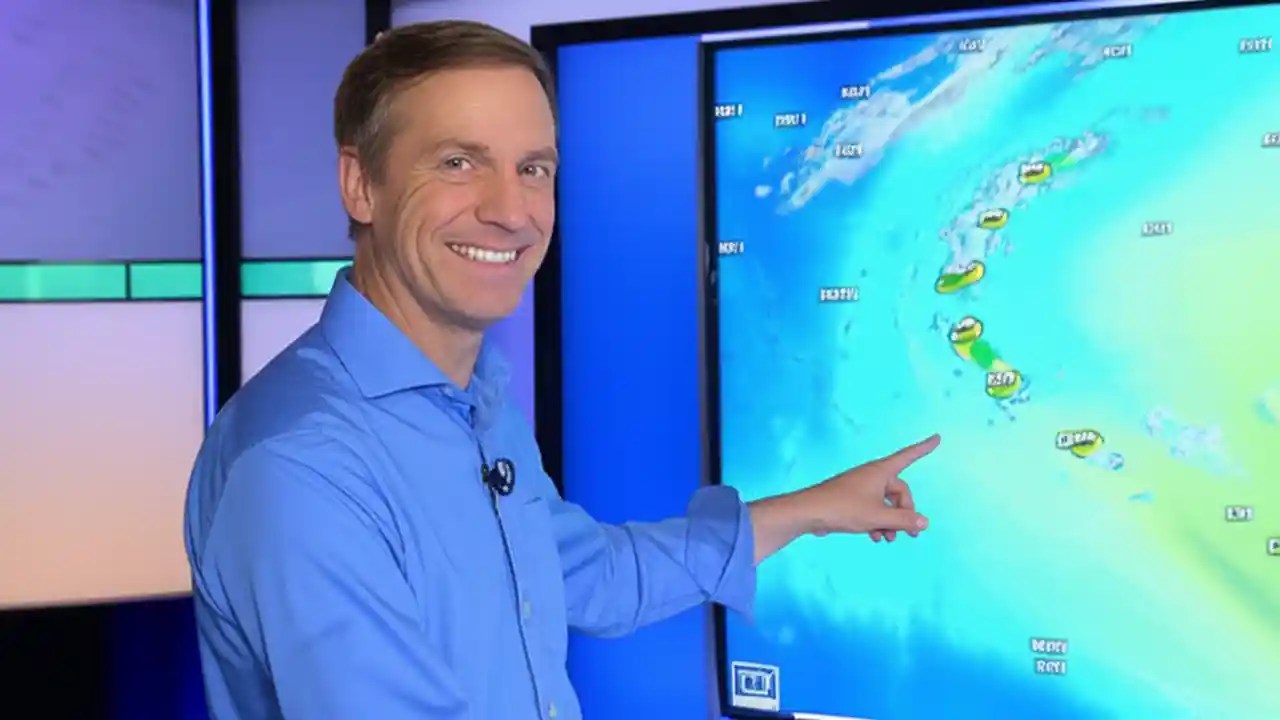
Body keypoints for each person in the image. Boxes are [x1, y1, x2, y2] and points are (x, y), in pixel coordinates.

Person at [183, 20, 940, 720]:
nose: (511, 211)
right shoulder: (301, 468)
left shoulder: (472, 405)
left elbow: (591, 576)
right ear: (361, 185)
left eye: (533, 168)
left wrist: (811, 508)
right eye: (458, 162)